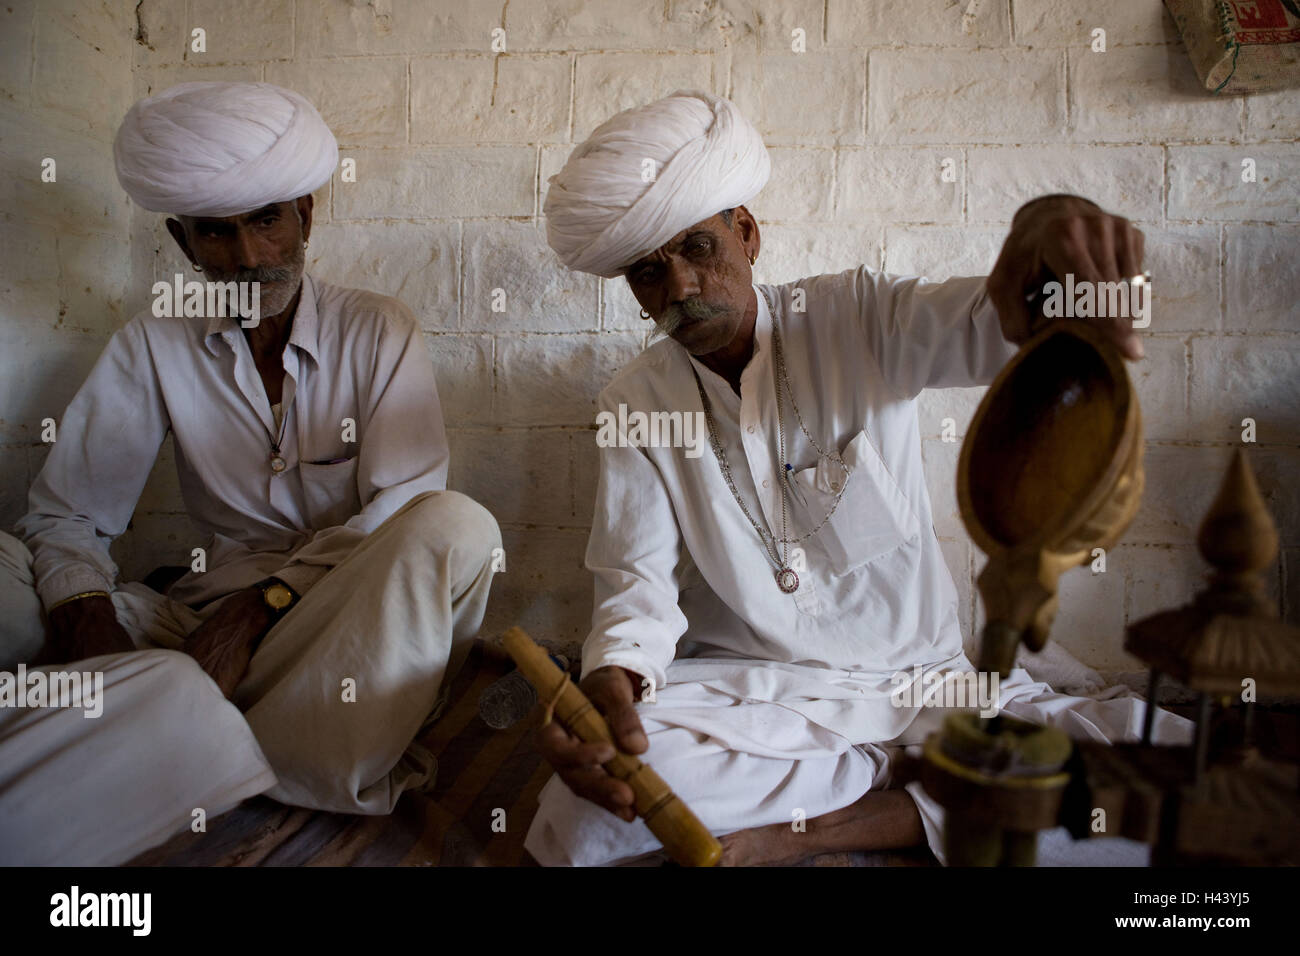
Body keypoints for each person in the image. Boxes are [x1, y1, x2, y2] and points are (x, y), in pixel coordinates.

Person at [526, 89, 1189, 867]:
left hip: (923, 689)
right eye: (647, 273)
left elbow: (999, 326)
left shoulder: (858, 318)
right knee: (586, 806)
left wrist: (1049, 241)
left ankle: (862, 821)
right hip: (764, 701)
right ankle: (918, 790)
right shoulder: (635, 402)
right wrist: (613, 682)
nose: (678, 290)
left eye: (697, 249)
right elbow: (634, 587)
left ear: (747, 233)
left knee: (1181, 783)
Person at [0, 81, 500, 864]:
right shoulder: (151, 342)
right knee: (7, 573)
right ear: (180, 240)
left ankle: (195, 737)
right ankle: (202, 731)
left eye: (266, 220)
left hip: (332, 631)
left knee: (458, 526)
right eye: (216, 233)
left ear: (307, 213)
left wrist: (264, 607)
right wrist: (86, 616)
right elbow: (66, 515)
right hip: (196, 621)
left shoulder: (378, 330)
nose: (248, 258)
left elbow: (401, 514)